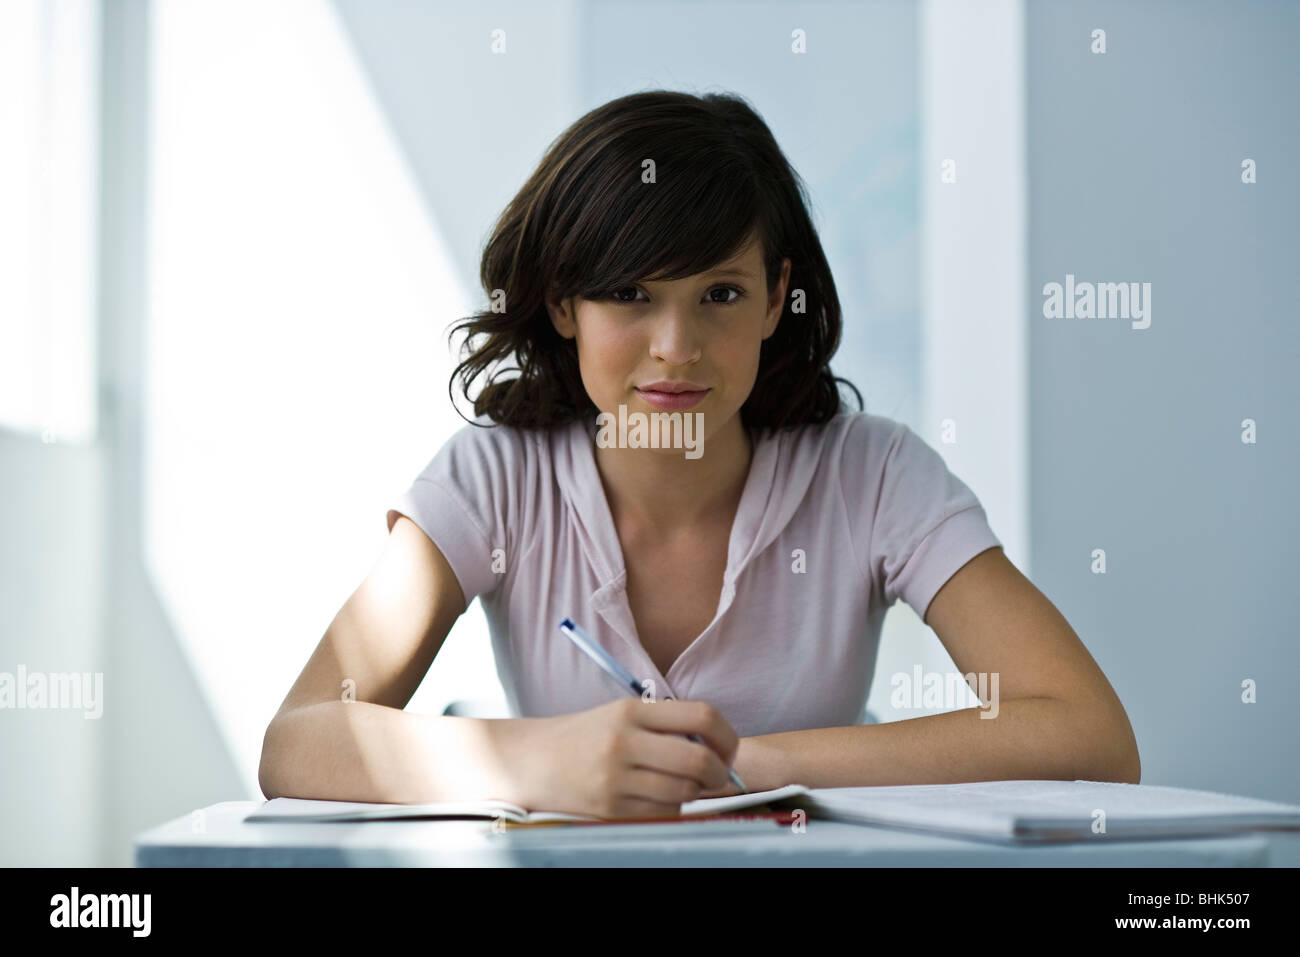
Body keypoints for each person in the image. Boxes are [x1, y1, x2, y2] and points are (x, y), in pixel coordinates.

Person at [259, 90, 1139, 820]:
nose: (677, 346)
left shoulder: (873, 476)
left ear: (774, 301)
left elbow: (1089, 733)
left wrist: (748, 762)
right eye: (629, 293)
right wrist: (540, 761)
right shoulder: (492, 480)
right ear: (564, 306)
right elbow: (299, 737)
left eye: (721, 293)